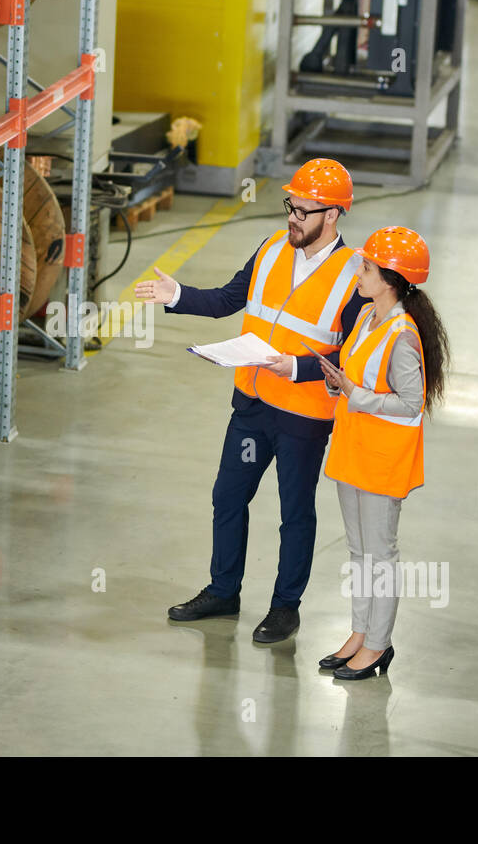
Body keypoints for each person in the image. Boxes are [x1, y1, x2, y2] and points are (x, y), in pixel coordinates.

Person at [135, 158, 367, 644]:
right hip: (253, 404)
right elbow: (226, 300)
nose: (293, 218)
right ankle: (224, 591)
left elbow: (352, 353)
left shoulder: (354, 275)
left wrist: (300, 368)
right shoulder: (270, 249)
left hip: (303, 417)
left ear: (334, 215)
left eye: (304, 211)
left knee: (294, 512)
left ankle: (285, 608)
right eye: (291, 206)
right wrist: (175, 294)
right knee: (228, 495)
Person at [315, 226, 449, 679]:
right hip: (353, 449)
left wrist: (355, 393)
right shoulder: (365, 317)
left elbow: (412, 405)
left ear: (390, 279)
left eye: (367, 267)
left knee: (380, 554)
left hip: (381, 459)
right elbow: (360, 379)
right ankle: (358, 633)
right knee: (359, 551)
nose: (359, 270)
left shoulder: (403, 334)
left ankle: (377, 644)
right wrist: (342, 383)